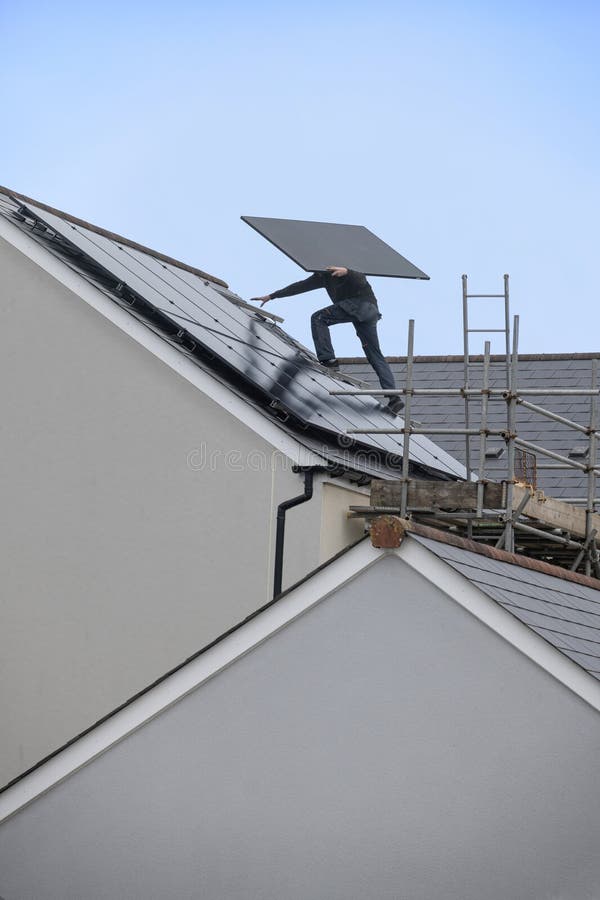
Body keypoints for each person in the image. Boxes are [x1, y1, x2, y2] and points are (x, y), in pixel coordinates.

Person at [251, 266, 404, 415]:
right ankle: (394, 397)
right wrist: (272, 296)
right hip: (370, 311)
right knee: (374, 354)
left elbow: (361, 278)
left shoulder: (339, 270)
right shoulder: (321, 276)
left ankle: (328, 360)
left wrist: (347, 272)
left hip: (360, 305)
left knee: (318, 318)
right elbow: (299, 287)